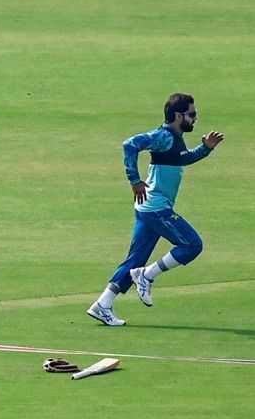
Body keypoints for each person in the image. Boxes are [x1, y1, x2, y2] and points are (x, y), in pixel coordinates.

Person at [87, 94, 225, 326]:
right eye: (192, 114)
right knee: (192, 245)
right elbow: (130, 145)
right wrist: (134, 180)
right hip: (155, 208)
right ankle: (147, 275)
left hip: (148, 208)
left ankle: (102, 305)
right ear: (178, 116)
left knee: (135, 260)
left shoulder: (175, 139)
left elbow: (182, 159)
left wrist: (205, 149)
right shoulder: (164, 136)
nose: (195, 119)